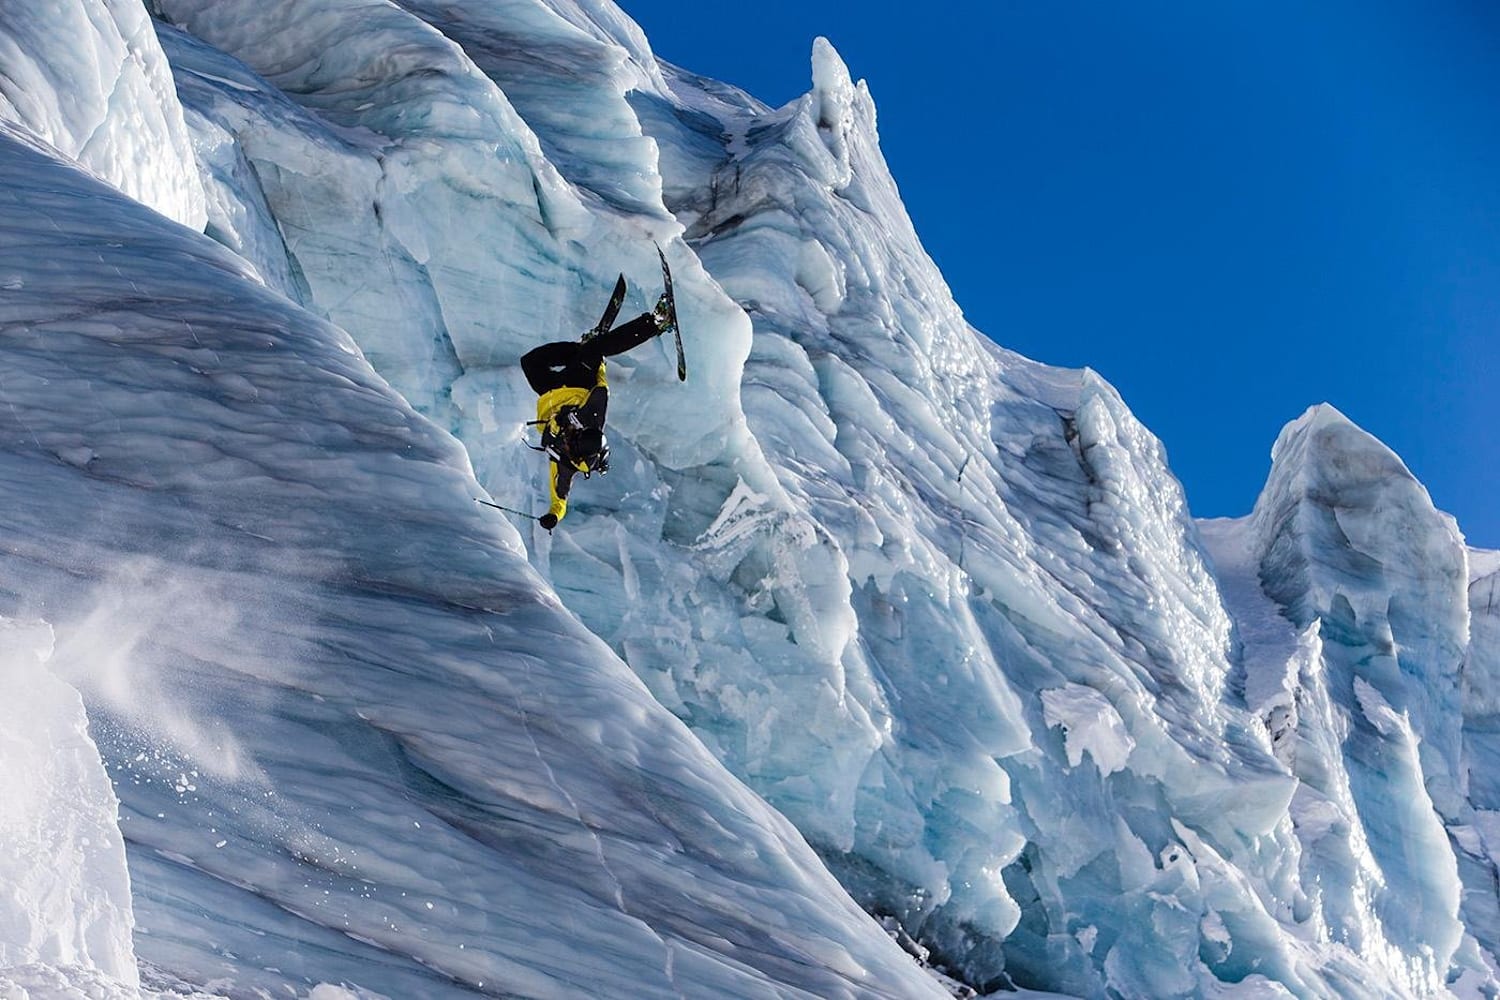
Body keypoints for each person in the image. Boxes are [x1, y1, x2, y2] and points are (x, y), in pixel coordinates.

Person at [520, 294, 672, 530]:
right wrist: (597, 362)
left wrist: (553, 516)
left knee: (530, 362)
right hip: (579, 383)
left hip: (550, 392)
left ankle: (581, 349)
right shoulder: (593, 418)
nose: (577, 432)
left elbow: (560, 500)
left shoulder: (564, 460)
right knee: (594, 351)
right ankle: (656, 323)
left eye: (578, 437)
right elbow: (601, 389)